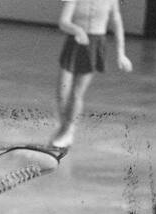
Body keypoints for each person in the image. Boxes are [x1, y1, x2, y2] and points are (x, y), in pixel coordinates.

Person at [51, 0, 133, 149]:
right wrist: (78, 30)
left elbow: (117, 22)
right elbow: (63, 22)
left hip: (94, 45)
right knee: (61, 93)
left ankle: (68, 130)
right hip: (74, 43)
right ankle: (65, 127)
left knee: (77, 93)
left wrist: (121, 53)